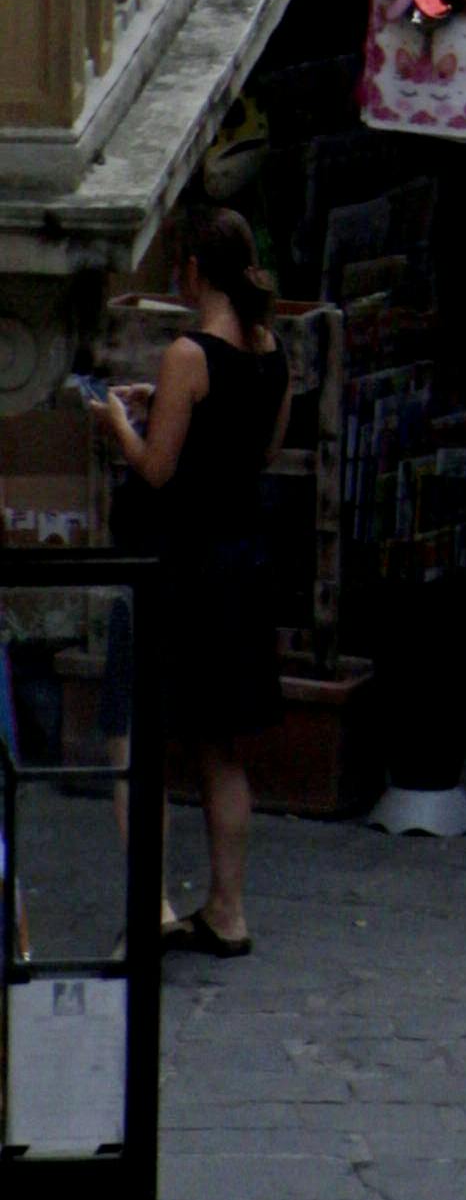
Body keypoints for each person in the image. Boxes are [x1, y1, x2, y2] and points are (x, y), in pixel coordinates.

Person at [98, 206, 286, 958]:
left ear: (194, 271)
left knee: (131, 736)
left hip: (172, 570)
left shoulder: (187, 355)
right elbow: (262, 451)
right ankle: (228, 910)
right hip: (239, 568)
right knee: (219, 746)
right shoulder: (273, 353)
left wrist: (118, 420)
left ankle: (155, 906)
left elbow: (159, 469)